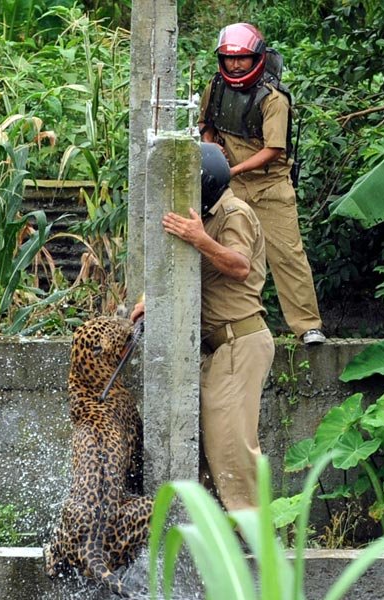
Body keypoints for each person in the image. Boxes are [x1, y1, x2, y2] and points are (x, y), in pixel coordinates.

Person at [132, 143, 274, 511]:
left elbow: (240, 265)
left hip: (238, 343)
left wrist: (200, 239)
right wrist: (152, 301)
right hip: (217, 349)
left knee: (232, 449)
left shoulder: (233, 212)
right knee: (211, 450)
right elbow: (188, 272)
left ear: (206, 183)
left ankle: (257, 544)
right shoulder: (205, 216)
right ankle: (221, 538)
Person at [197, 21, 326, 346]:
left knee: (287, 254)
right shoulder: (216, 86)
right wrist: (212, 149)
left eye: (241, 58)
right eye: (229, 58)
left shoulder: (273, 98)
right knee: (230, 255)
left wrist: (233, 170)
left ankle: (307, 326)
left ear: (257, 58)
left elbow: (273, 150)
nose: (235, 64)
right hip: (229, 184)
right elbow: (206, 125)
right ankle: (237, 326)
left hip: (269, 187)